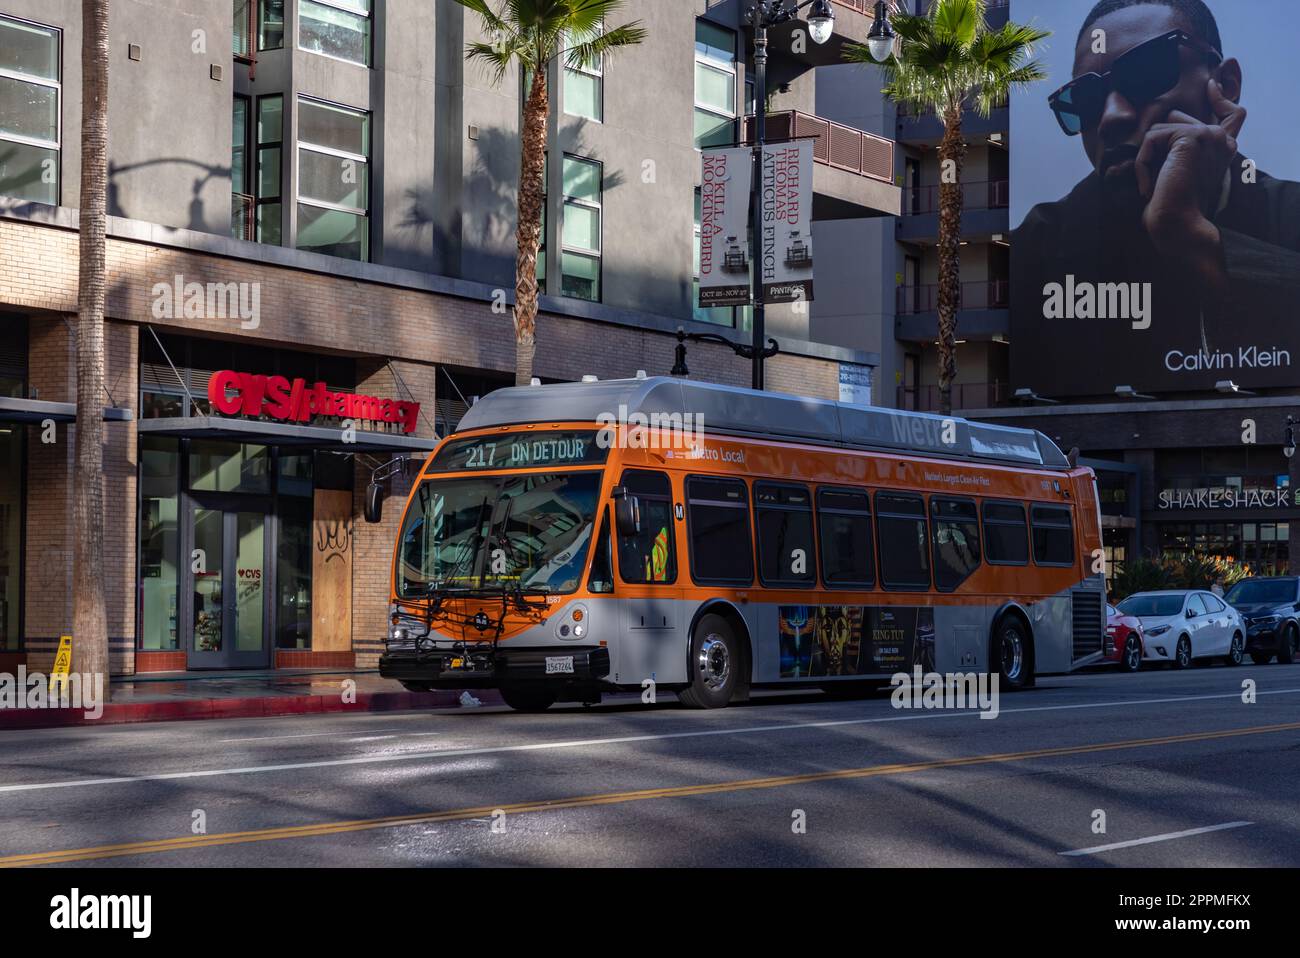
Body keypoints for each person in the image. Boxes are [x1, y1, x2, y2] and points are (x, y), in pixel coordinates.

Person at [1012, 0, 1300, 394]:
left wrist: (1205, 246)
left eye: (1145, 73)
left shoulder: (1291, 214)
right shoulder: (1033, 251)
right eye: (1086, 99)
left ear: (1226, 85)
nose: (1112, 116)